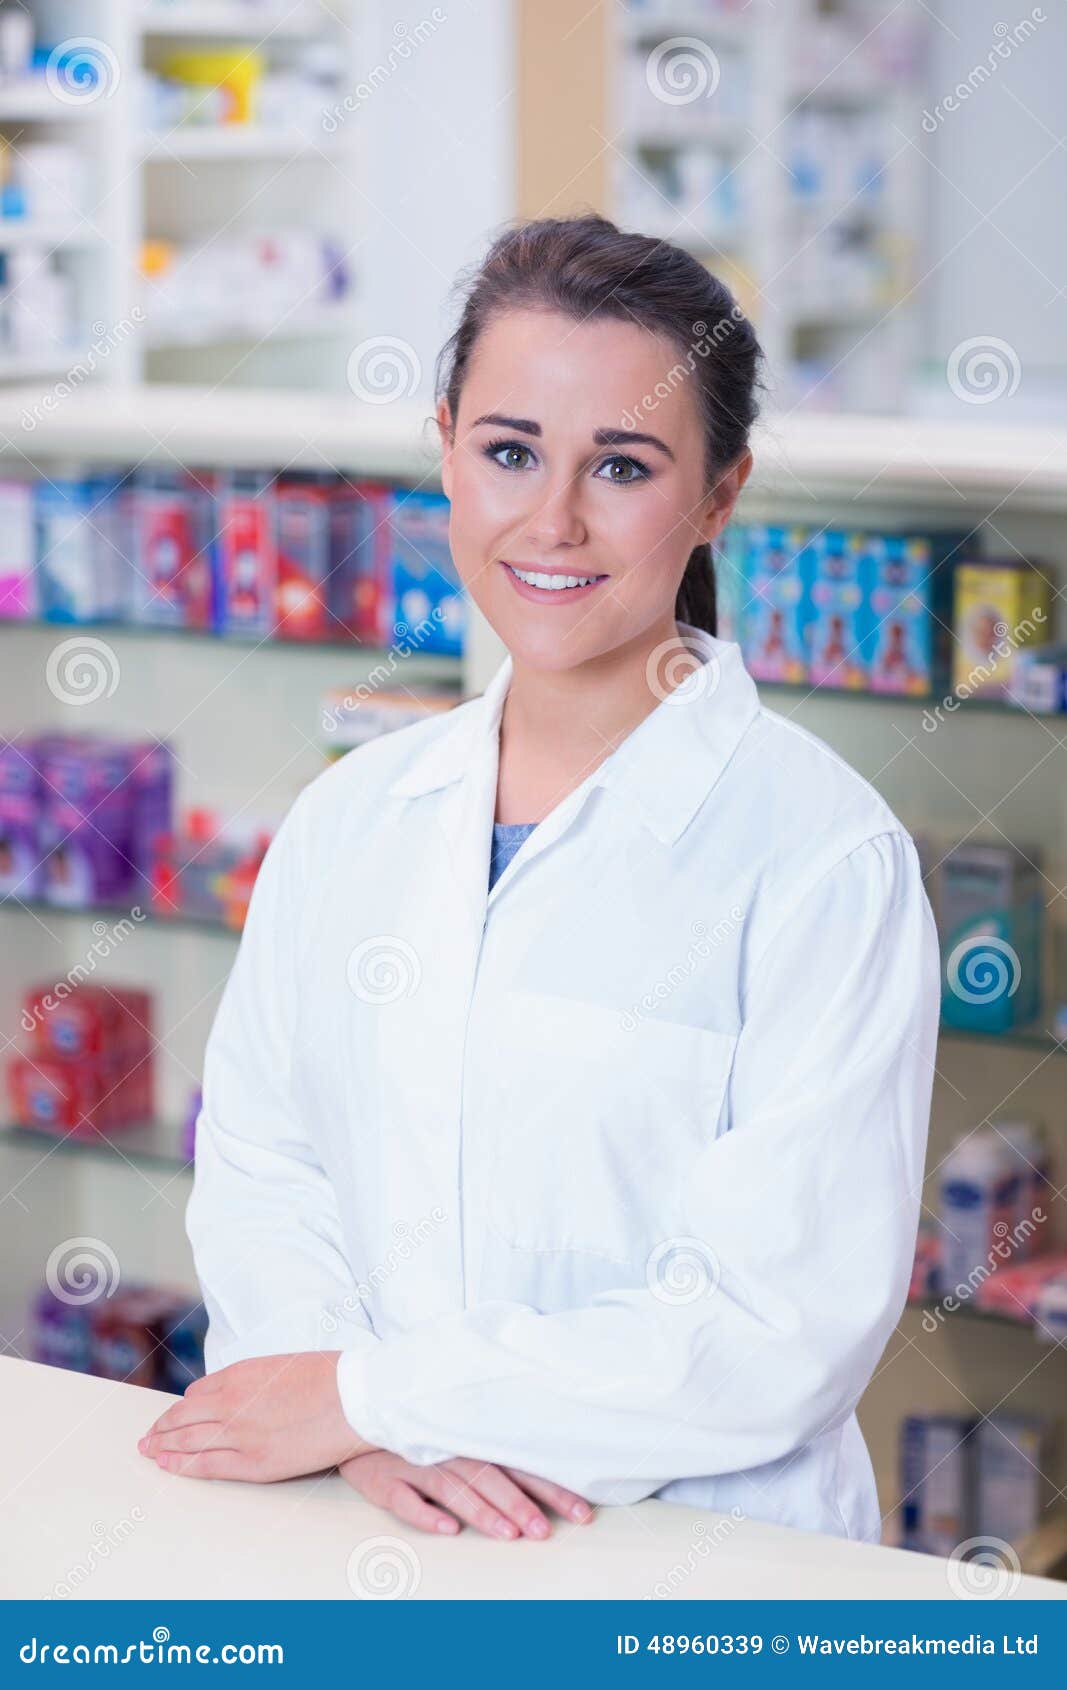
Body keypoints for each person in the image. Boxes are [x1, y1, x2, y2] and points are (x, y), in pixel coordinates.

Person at [139, 214, 940, 1547]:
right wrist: (352, 1423)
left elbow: (774, 1326)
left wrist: (366, 1397)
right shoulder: (352, 817)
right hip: (374, 1528)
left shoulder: (823, 859)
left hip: (703, 1567)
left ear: (719, 493)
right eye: (510, 451)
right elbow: (263, 1165)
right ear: (447, 447)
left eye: (621, 465)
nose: (552, 518)